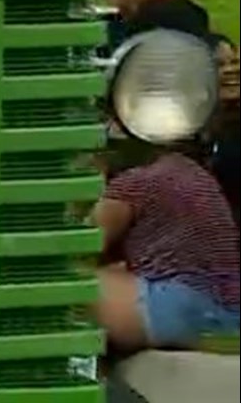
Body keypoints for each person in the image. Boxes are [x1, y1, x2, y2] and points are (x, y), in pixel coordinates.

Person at [92, 147, 240, 350]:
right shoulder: (192, 172)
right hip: (231, 312)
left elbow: (85, 242)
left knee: (69, 282)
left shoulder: (133, 182)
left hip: (178, 305)